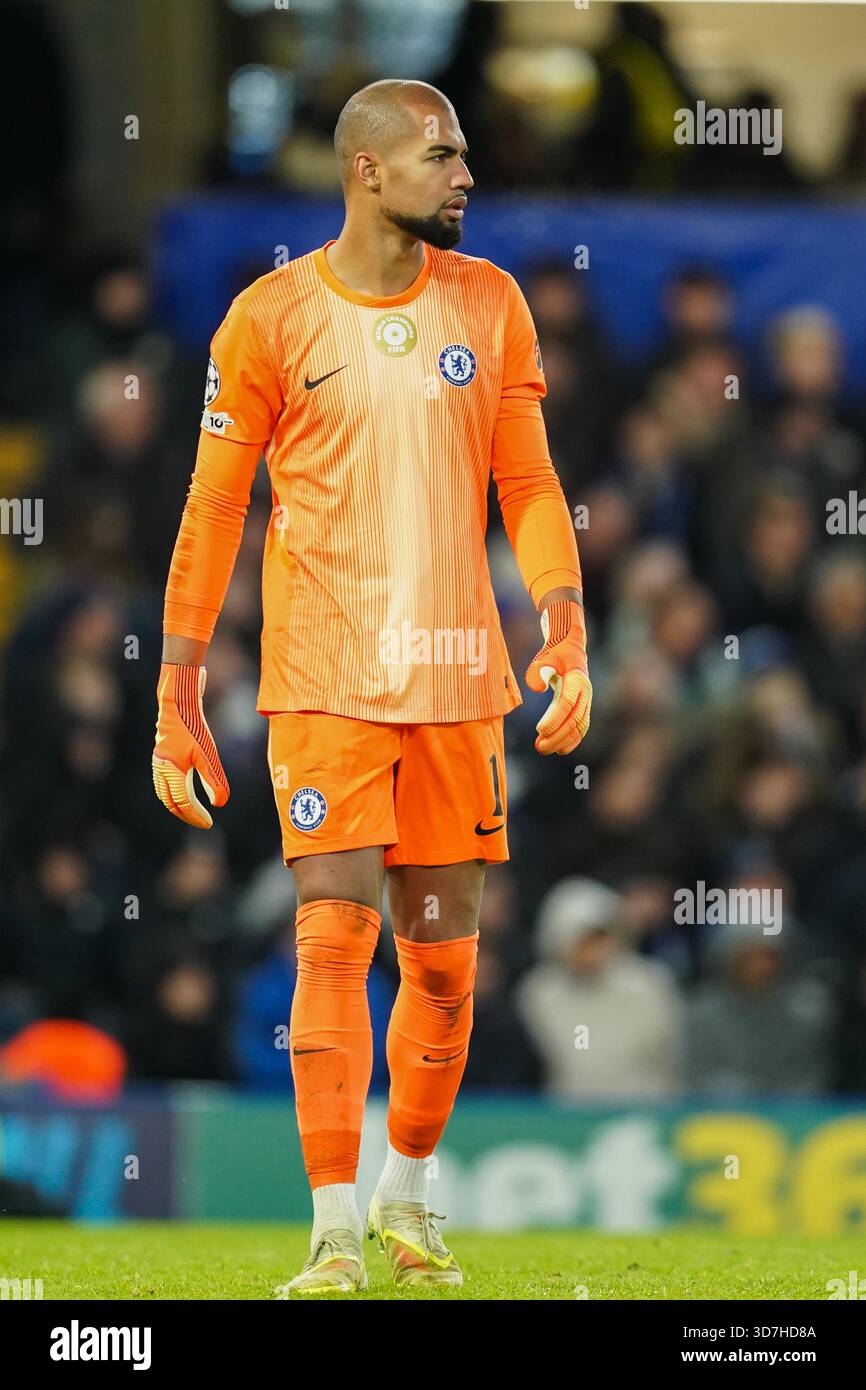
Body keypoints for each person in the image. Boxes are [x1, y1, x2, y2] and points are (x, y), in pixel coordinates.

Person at [151, 79, 592, 1293]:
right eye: (442, 155)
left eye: (463, 156)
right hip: (324, 676)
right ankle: (332, 1230)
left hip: (457, 677)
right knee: (330, 937)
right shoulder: (268, 319)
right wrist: (176, 684)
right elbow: (214, 506)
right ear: (367, 170)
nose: (465, 176)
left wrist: (563, 617)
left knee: (442, 967)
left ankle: (406, 1193)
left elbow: (530, 483)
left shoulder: (491, 303)